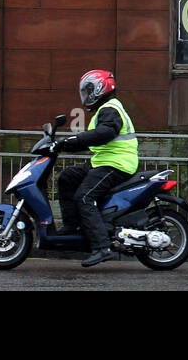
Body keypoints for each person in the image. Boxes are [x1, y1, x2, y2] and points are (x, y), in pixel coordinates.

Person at [53, 70, 139, 267]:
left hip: (118, 163)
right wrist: (65, 144)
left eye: (88, 90)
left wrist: (74, 139)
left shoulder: (111, 109)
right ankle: (71, 226)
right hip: (103, 160)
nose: (85, 95)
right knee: (66, 177)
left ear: (99, 88)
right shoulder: (104, 109)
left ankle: (102, 247)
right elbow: (93, 140)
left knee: (84, 197)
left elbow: (105, 133)